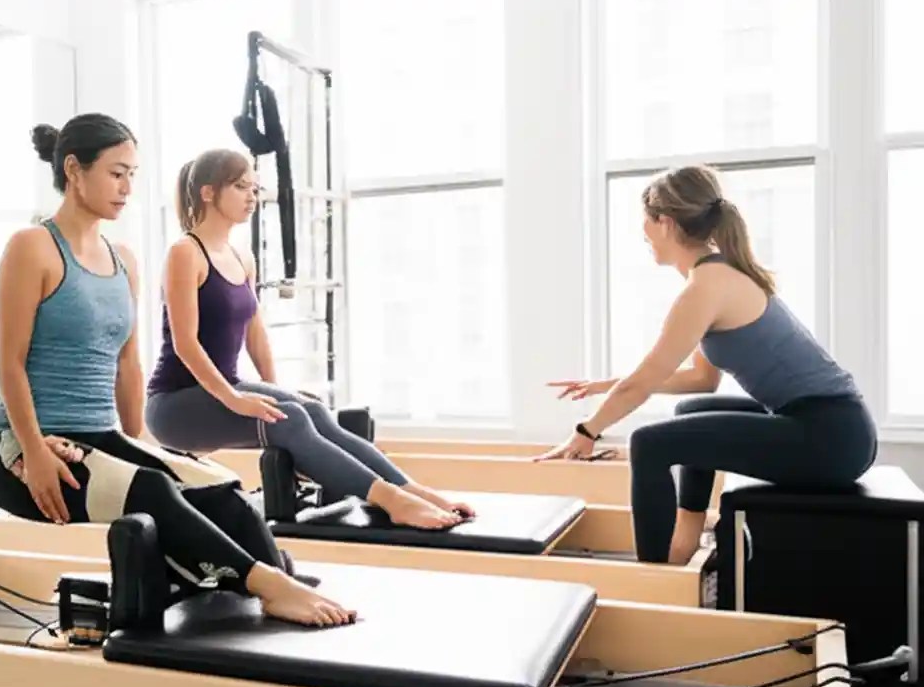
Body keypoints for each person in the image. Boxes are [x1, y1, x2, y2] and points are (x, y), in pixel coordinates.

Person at [0, 114, 354, 627]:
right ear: (73, 169)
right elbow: (8, 363)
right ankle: (271, 585)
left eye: (133, 173)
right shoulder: (33, 247)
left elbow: (128, 365)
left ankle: (274, 570)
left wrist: (138, 446)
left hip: (101, 435)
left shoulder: (124, 259)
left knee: (223, 487)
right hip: (21, 450)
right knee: (154, 492)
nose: (127, 187)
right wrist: (35, 451)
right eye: (116, 173)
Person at [537, 165, 877, 565]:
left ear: (664, 222)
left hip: (830, 438)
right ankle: (686, 540)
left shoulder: (705, 288)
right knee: (689, 414)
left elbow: (643, 383)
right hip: (836, 430)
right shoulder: (717, 275)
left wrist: (586, 431)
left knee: (648, 443)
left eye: (645, 220)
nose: (643, 232)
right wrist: (604, 385)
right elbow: (700, 380)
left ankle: (655, 575)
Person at [144, 148, 473, 530]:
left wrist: (275, 391)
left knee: (311, 411)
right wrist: (236, 399)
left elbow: (255, 331)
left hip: (224, 390)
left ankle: (414, 490)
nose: (252, 196)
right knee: (291, 419)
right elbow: (185, 343)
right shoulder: (185, 252)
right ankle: (394, 501)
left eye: (254, 187)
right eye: (240, 187)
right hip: (175, 405)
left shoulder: (241, 257)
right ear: (207, 192)